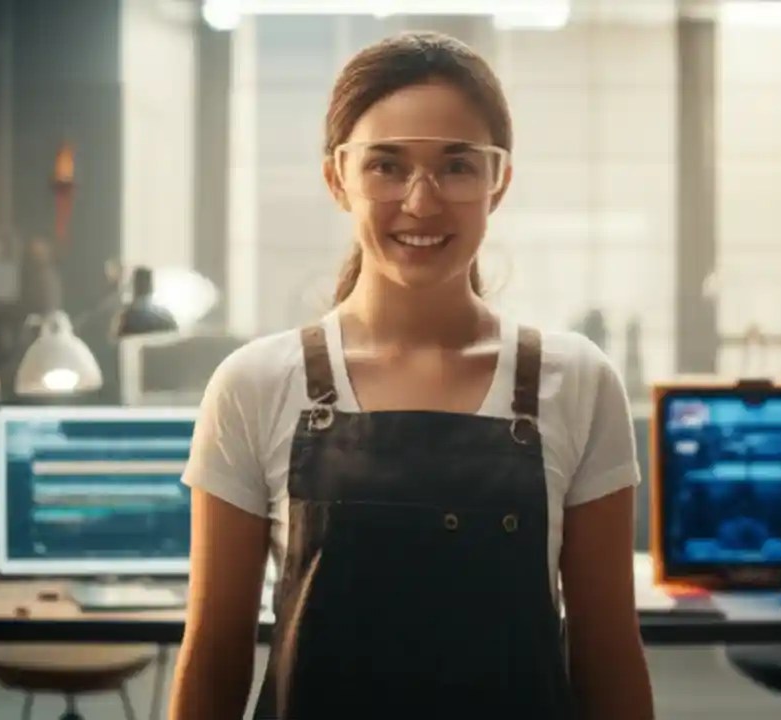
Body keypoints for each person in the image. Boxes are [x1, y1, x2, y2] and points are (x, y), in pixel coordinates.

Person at [170, 30, 655, 720]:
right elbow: (213, 658)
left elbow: (609, 659)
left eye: (458, 166)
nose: (422, 202)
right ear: (337, 177)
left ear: (500, 180)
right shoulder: (253, 384)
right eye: (387, 166)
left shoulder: (577, 382)